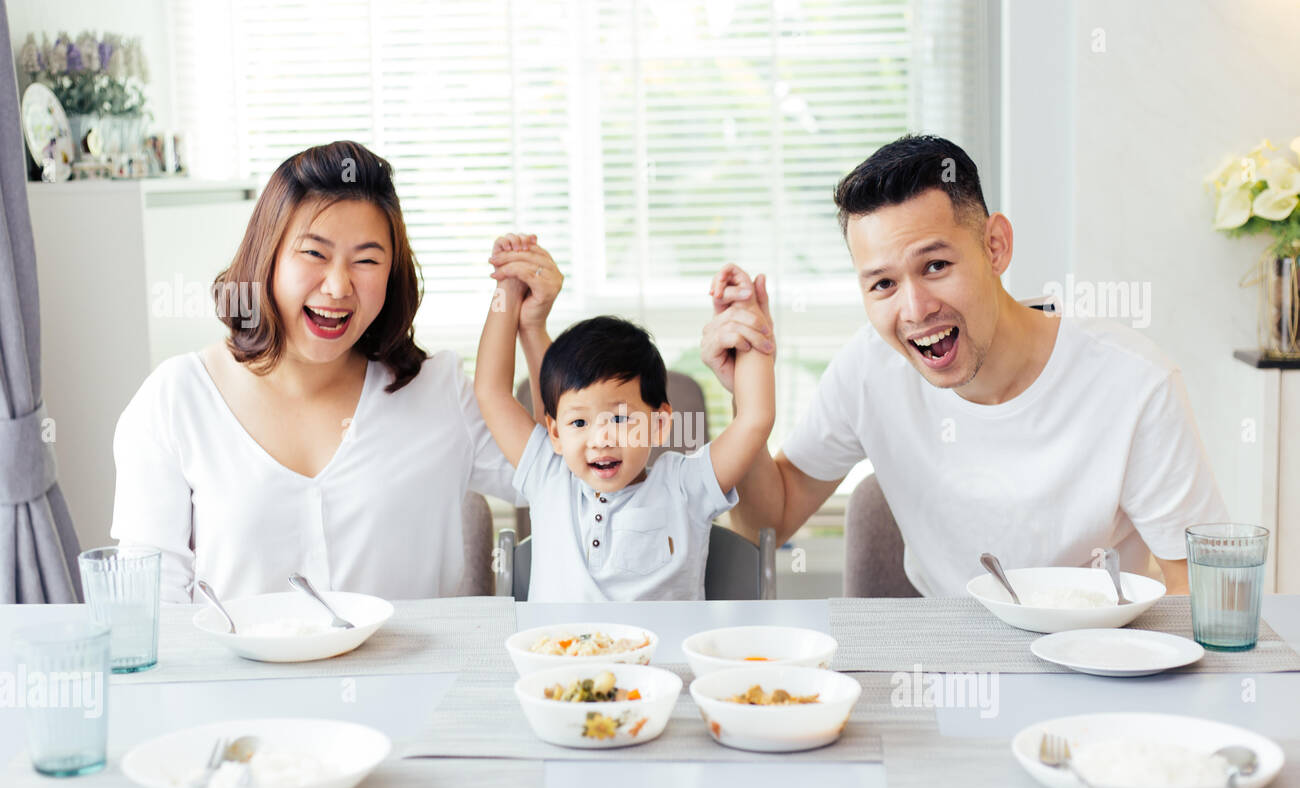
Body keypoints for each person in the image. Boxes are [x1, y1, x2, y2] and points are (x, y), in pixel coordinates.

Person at [701, 134, 1228, 597]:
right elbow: (765, 525)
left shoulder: (1133, 382)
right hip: (946, 660)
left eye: (936, 266)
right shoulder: (868, 368)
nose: (915, 310)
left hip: (1097, 658)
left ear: (995, 247)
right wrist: (750, 407)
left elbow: (1198, 589)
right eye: (883, 284)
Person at [111, 142, 560, 603]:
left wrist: (531, 328)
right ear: (268, 257)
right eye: (313, 254)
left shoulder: (439, 392)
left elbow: (554, 475)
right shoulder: (176, 399)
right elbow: (149, 609)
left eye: (366, 261)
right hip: (242, 677)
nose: (338, 286)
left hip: (412, 675)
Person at [475, 234, 776, 600]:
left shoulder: (685, 487)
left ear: (660, 423)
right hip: (558, 657)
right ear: (554, 432)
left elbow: (754, 419)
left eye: (619, 420)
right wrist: (508, 286)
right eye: (579, 424)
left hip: (661, 659)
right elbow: (491, 391)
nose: (601, 438)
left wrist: (746, 320)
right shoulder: (549, 476)